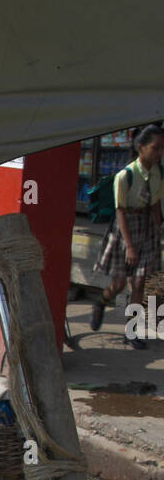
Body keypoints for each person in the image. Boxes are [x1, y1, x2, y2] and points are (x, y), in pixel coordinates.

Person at [90, 123, 164, 350]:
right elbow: (120, 210)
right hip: (126, 229)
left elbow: (155, 204)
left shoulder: (158, 173)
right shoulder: (125, 176)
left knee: (140, 281)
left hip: (147, 228)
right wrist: (130, 246)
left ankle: (131, 332)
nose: (159, 153)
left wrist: (159, 230)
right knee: (120, 283)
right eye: (156, 147)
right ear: (140, 147)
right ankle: (101, 302)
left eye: (162, 148)